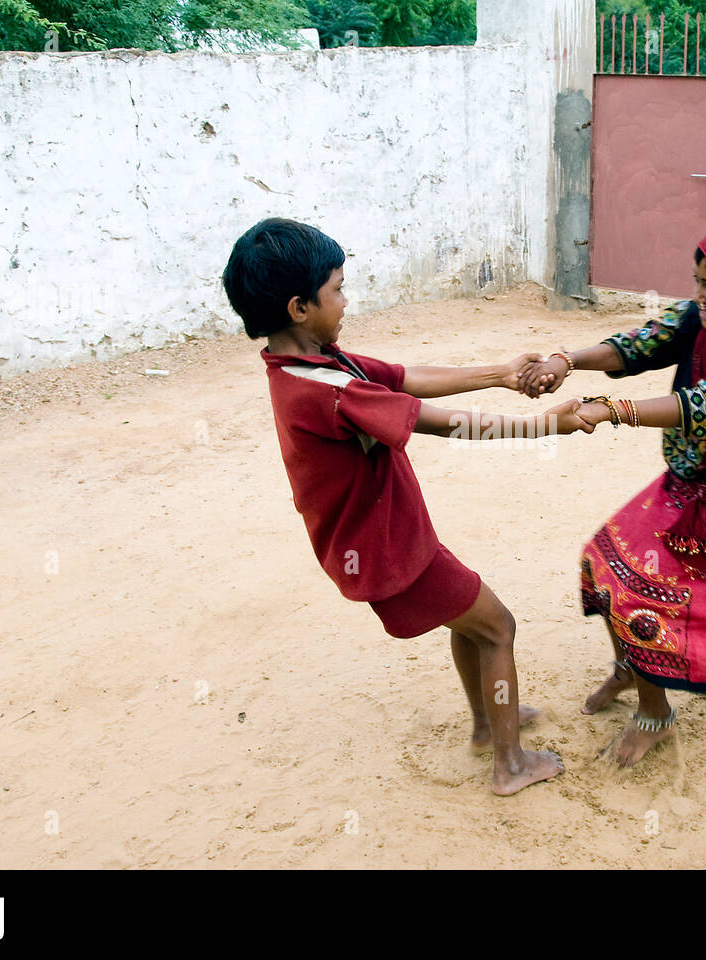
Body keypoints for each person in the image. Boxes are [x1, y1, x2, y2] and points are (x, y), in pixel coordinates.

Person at [222, 217, 596, 795]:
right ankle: (510, 764)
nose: (346, 300)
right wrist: (547, 423)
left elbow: (405, 378)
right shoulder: (330, 390)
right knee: (497, 628)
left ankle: (484, 724)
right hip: (387, 549)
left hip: (386, 535)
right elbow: (440, 424)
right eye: (338, 288)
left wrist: (500, 373)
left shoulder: (312, 361)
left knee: (469, 620)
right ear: (300, 307)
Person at [518, 217, 706, 767]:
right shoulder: (700, 320)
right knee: (602, 563)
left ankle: (655, 712)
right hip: (680, 490)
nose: (699, 299)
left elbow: (701, 408)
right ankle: (629, 672)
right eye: (696, 283)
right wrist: (567, 360)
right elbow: (641, 345)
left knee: (647, 599)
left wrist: (608, 410)